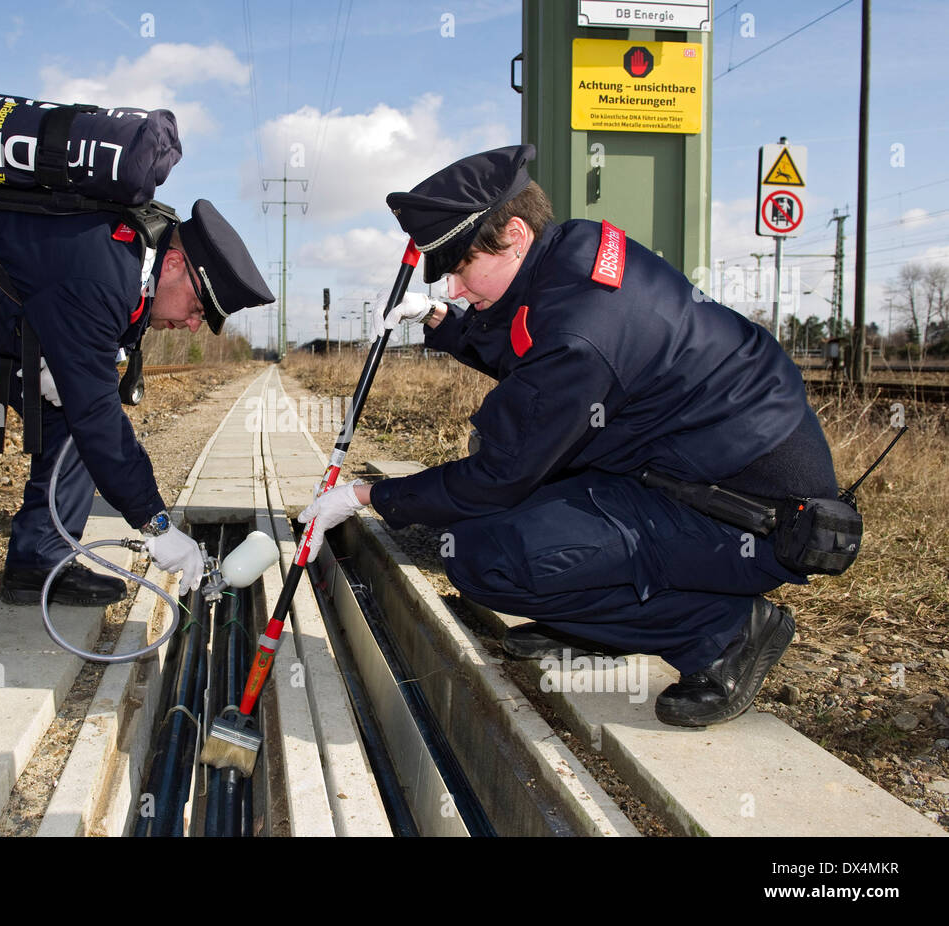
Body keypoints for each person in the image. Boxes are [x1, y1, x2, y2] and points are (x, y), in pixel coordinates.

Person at [300, 145, 840, 728]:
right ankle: (593, 623)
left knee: (484, 557)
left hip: (746, 516)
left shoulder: (584, 328)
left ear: (513, 233)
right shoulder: (574, 249)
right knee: (503, 512)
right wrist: (442, 321)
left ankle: (722, 632)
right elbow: (533, 349)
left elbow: (501, 470)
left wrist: (365, 496)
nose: (455, 287)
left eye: (458, 268)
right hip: (696, 471)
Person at [0, 198, 274, 699]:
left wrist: (59, 366)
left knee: (70, 423)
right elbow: (101, 420)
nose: (193, 324)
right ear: (174, 264)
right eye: (198, 308)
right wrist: (156, 524)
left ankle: (39, 562)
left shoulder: (133, 275)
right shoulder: (106, 273)